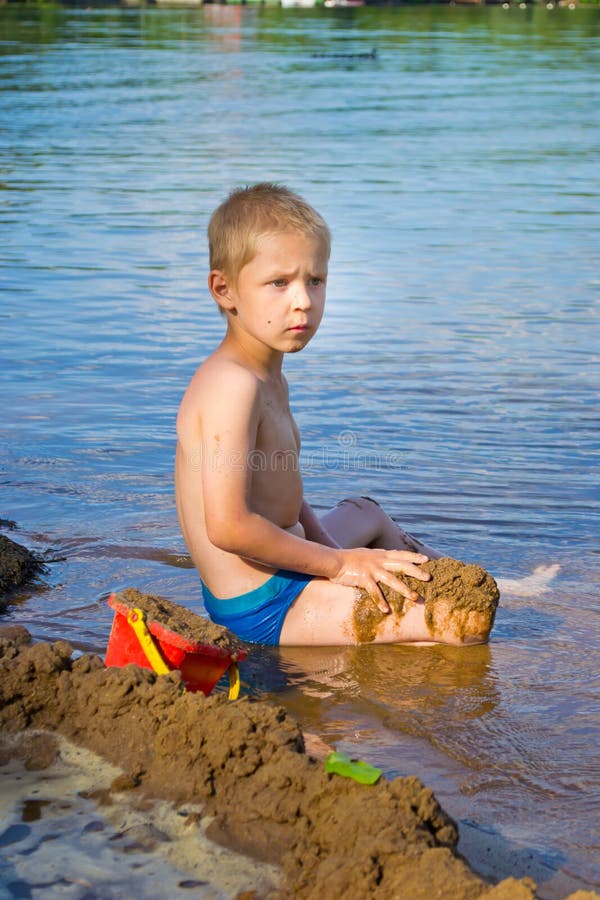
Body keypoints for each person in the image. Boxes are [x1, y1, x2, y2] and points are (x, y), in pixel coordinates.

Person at [175, 183, 490, 647]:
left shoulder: (266, 376)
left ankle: (453, 574)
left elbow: (276, 486)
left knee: (368, 513)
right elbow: (228, 526)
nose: (302, 300)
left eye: (314, 280)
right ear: (225, 290)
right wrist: (342, 566)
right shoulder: (231, 386)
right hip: (266, 606)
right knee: (461, 625)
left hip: (293, 560)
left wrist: (334, 550)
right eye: (279, 283)